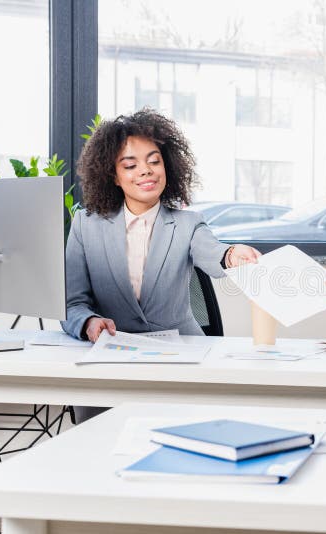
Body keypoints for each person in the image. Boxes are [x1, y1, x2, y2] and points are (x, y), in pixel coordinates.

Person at [62, 109, 260, 421]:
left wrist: (232, 254)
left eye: (154, 161)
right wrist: (88, 323)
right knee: (99, 449)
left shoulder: (188, 223)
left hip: (180, 360)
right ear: (112, 174)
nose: (146, 171)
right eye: (131, 164)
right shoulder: (86, 225)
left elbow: (213, 252)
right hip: (109, 361)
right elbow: (72, 302)